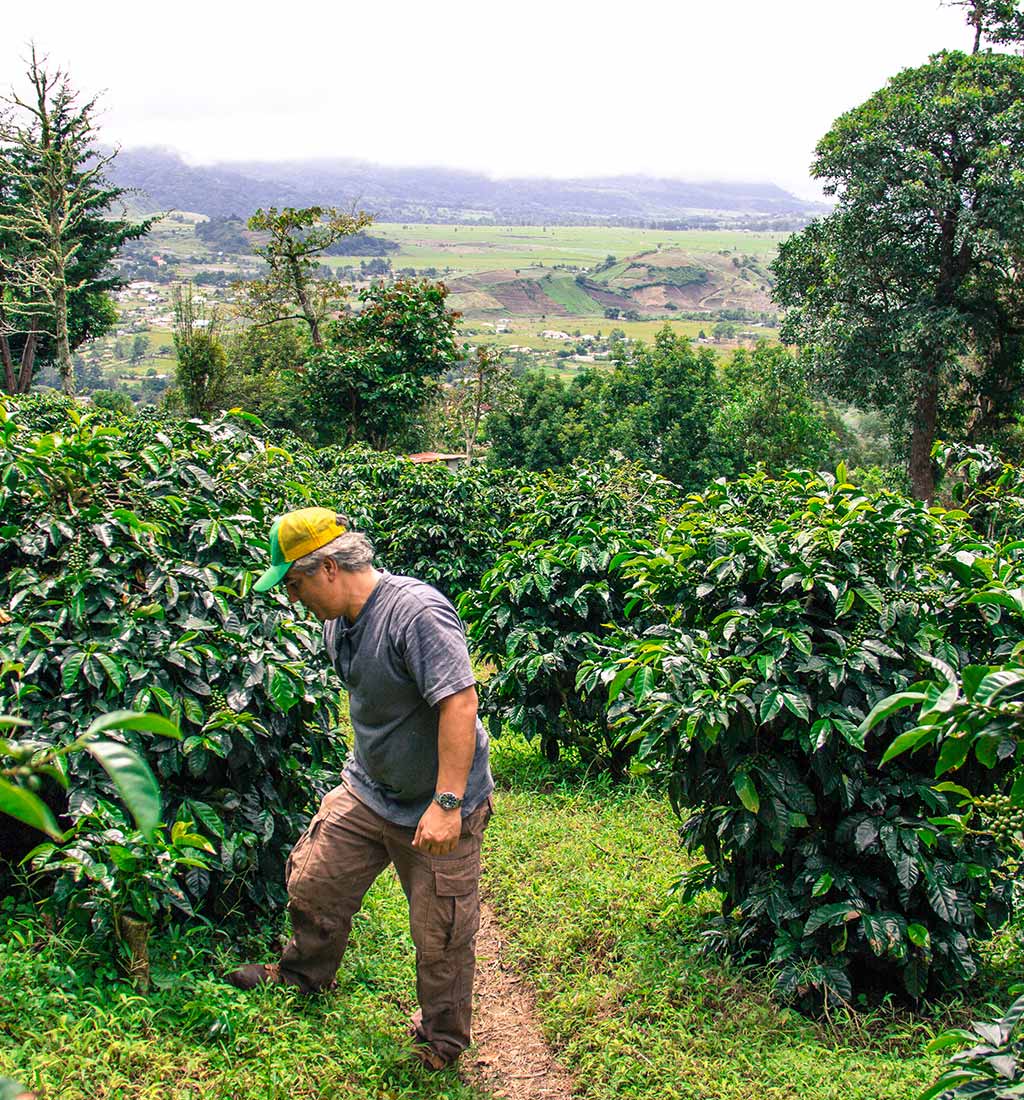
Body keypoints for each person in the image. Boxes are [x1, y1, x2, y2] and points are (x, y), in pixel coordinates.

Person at [226, 507, 494, 1072]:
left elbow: (460, 703)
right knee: (316, 879)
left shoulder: (414, 614)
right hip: (369, 788)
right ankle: (303, 974)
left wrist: (446, 804)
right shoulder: (336, 621)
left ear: (326, 567)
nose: (295, 601)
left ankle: (442, 1039)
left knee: (441, 932)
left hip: (437, 801)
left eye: (296, 585)